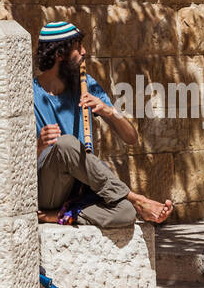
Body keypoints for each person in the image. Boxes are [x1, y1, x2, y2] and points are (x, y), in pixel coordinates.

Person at [34, 20, 174, 228]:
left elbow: (132, 138)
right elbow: (11, 164)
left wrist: (108, 111)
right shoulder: (29, 94)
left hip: (81, 186)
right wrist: (39, 145)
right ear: (59, 54)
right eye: (78, 47)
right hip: (49, 187)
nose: (85, 52)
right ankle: (137, 198)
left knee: (125, 213)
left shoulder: (87, 84)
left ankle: (54, 216)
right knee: (66, 144)